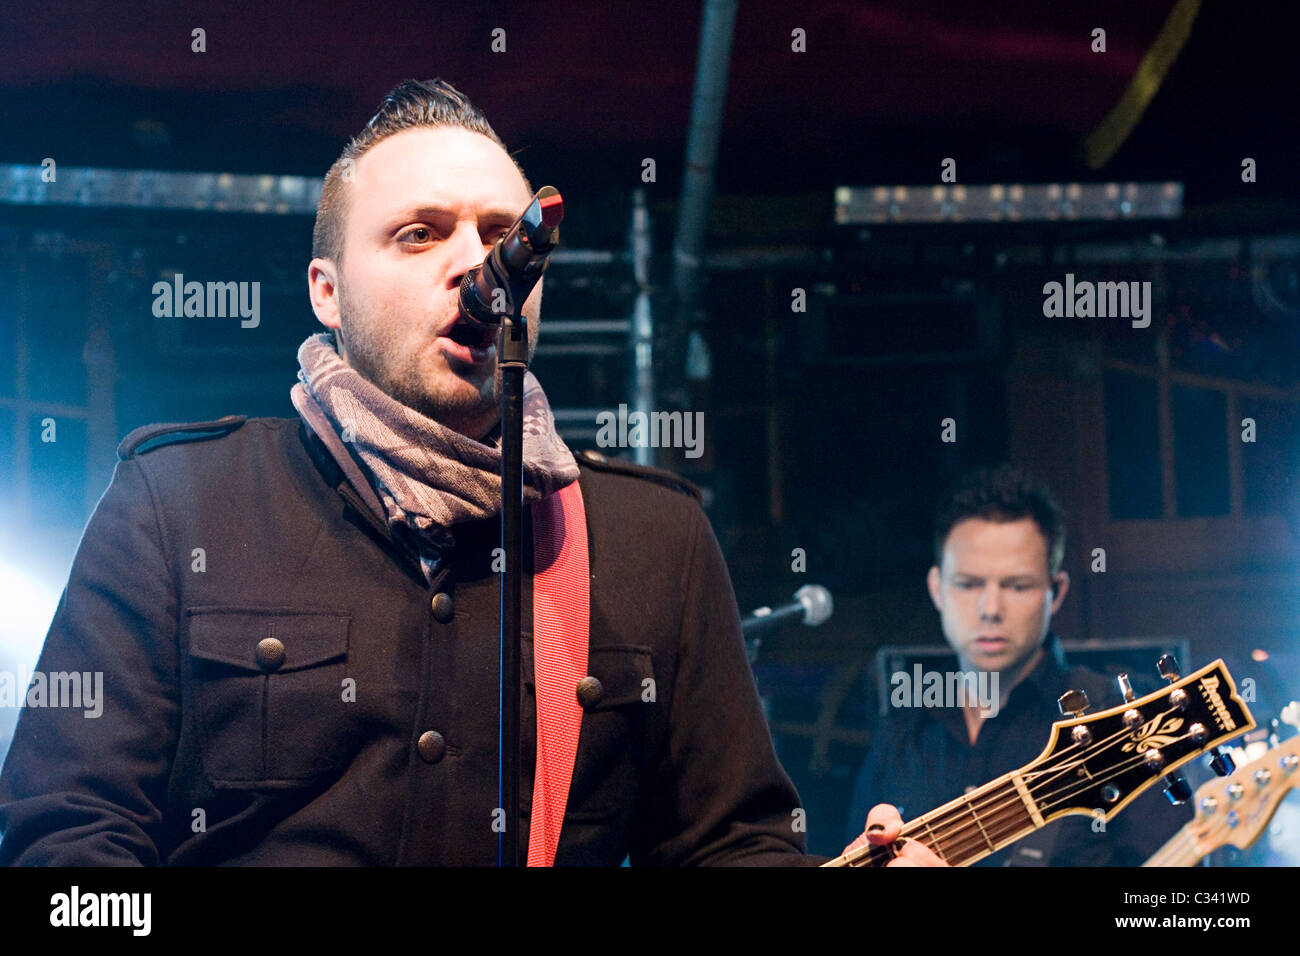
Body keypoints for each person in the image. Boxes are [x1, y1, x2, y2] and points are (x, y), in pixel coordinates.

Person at [0, 78, 938, 867]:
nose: (474, 263)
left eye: (500, 230)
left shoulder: (655, 540)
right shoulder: (180, 505)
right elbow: (66, 835)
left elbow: (732, 847)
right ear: (327, 289)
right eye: (417, 233)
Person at [845, 465, 1190, 865]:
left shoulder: (1122, 722)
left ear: (1055, 592)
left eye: (1017, 586)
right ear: (937, 588)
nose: (990, 609)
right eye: (968, 584)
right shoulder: (900, 735)